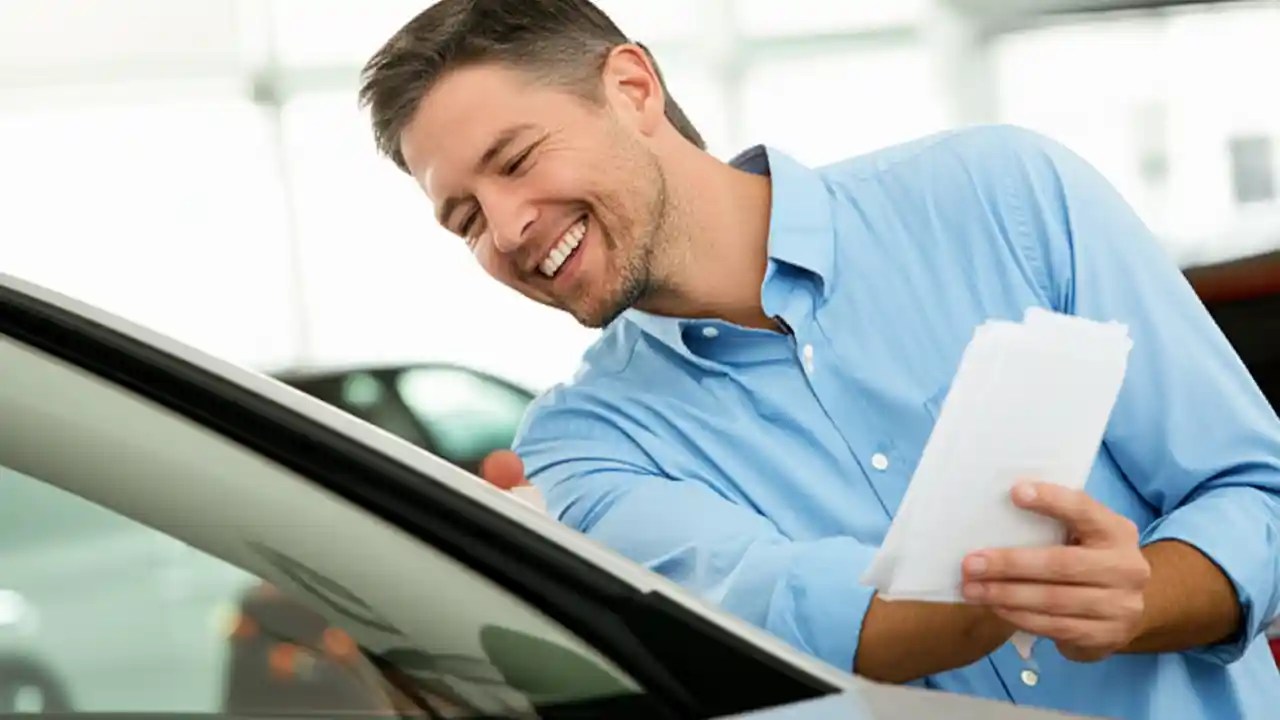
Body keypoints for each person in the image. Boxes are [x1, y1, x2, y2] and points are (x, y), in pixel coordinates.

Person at [357, 1, 1280, 717]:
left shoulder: (1004, 197)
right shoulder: (583, 445)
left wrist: (1144, 597)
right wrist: (1050, 590)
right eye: (466, 218)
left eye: (516, 159)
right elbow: (812, 625)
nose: (509, 229)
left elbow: (1255, 487)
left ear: (632, 88)